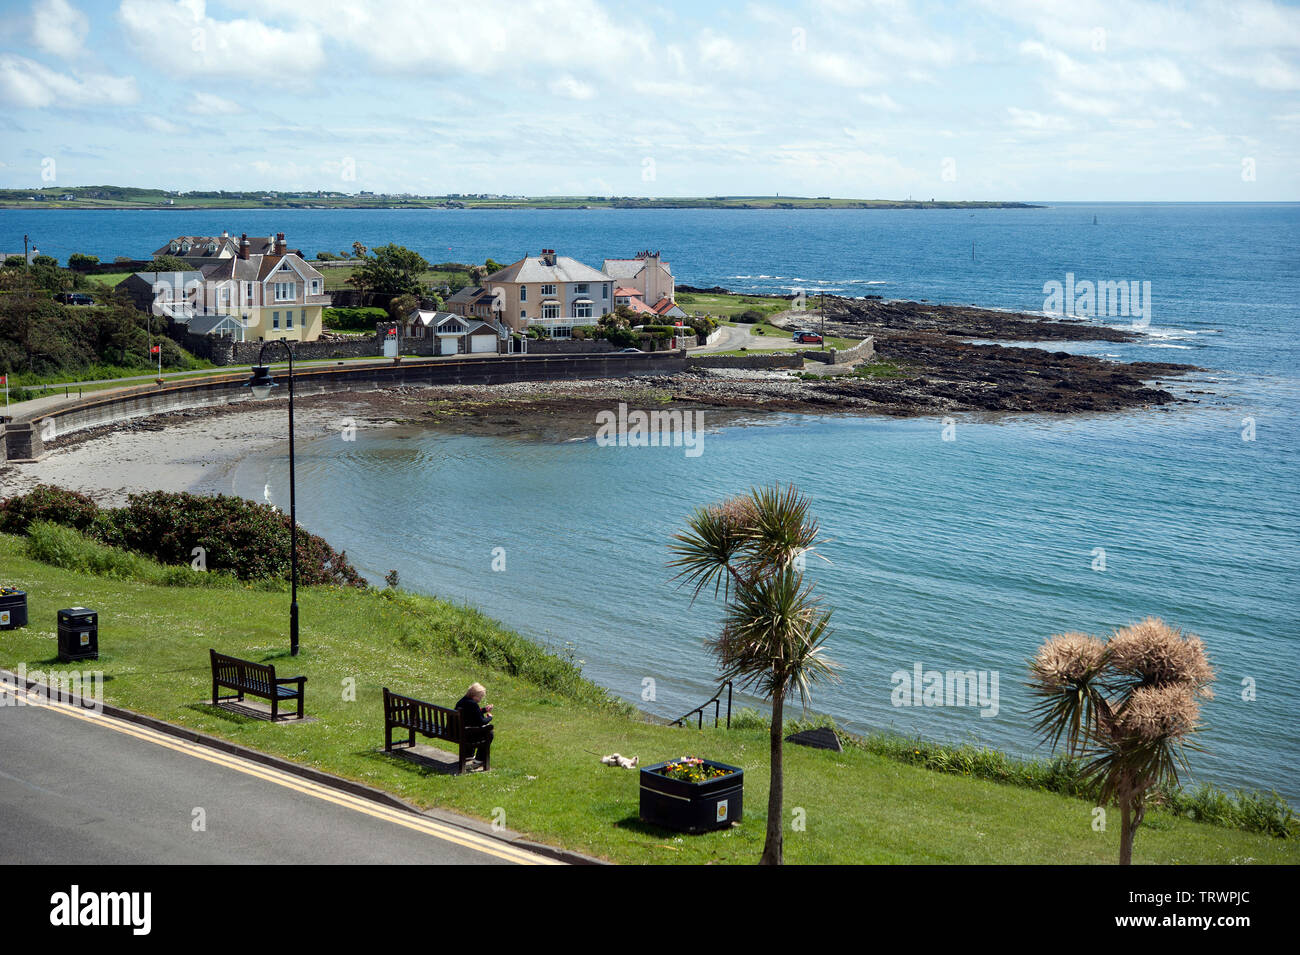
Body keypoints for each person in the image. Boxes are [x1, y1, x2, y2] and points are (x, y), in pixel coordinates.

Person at [454, 682, 494, 771]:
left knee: (474, 729)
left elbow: (473, 714)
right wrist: (489, 718)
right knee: (489, 733)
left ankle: (468, 754)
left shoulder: (463, 701)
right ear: (475, 696)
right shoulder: (473, 704)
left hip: (455, 732)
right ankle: (479, 760)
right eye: (480, 697)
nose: (480, 699)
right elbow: (481, 722)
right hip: (465, 734)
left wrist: (484, 709)